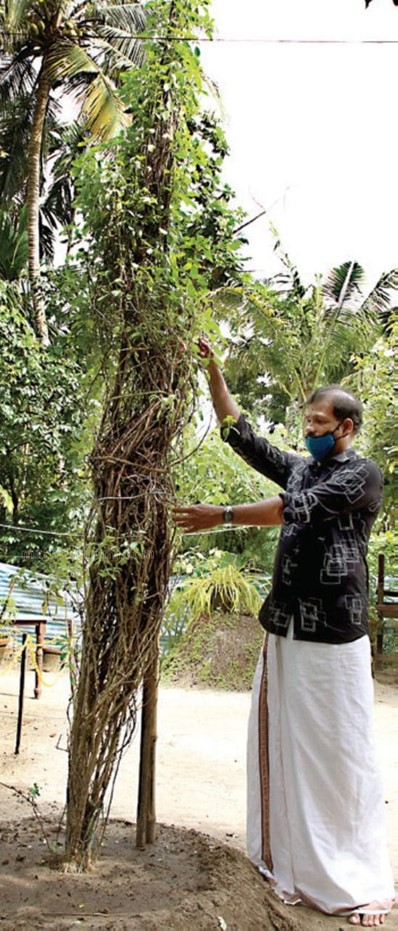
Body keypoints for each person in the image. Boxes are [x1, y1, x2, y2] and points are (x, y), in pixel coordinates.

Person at [173, 338, 395, 928]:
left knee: (341, 757)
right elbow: (241, 434)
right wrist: (213, 373)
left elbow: (289, 511)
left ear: (345, 427)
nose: (308, 430)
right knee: (285, 750)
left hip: (336, 636)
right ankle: (289, 866)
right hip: (288, 629)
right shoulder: (305, 465)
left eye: (319, 422)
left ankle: (359, 881)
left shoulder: (361, 476)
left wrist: (217, 517)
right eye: (306, 421)